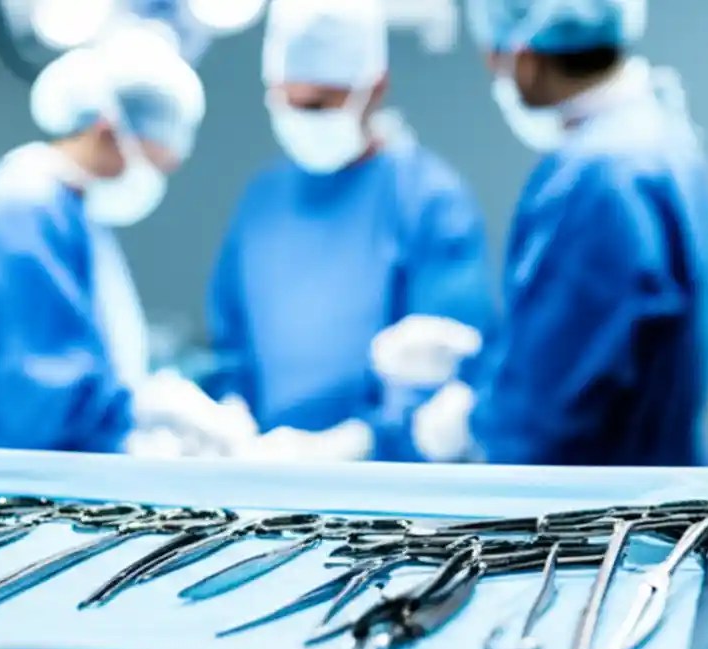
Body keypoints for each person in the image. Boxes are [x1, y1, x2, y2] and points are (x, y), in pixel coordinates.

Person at [373, 0, 708, 466]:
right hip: (652, 490)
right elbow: (599, 342)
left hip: (602, 519)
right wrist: (473, 364)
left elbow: (552, 411)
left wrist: (468, 423)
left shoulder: (597, 178)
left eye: (493, 58)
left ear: (526, 60)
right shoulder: (658, 141)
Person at [0, 26, 251, 455]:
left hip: (27, 470)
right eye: (152, 160)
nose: (152, 179)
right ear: (106, 127)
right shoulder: (25, 208)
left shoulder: (72, 211)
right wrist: (149, 406)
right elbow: (44, 391)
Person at [207, 0, 496, 462]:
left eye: (319, 104)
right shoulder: (263, 199)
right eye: (287, 100)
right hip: (262, 477)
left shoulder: (428, 199)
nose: (301, 117)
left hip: (389, 492)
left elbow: (445, 370)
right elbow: (231, 340)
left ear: (375, 86)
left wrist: (357, 445)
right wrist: (230, 412)